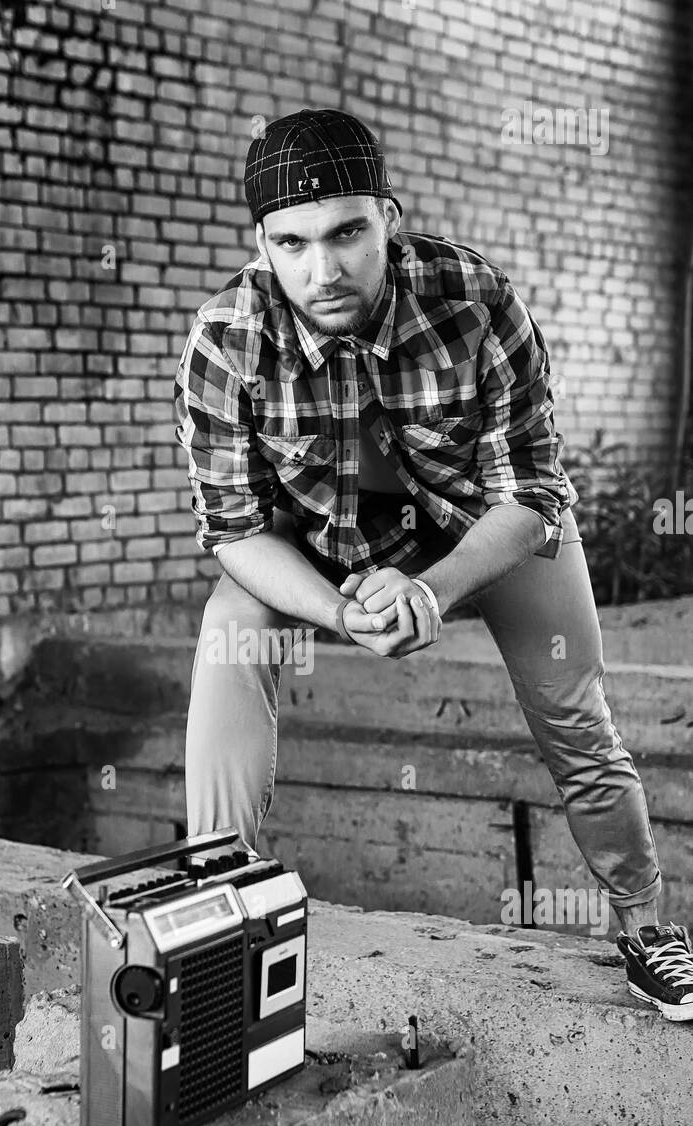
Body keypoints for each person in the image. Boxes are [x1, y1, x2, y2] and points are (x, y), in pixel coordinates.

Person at [174, 107, 693, 1022]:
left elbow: (533, 493)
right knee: (229, 633)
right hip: (321, 557)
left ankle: (648, 930)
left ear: (390, 217)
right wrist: (341, 614)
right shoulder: (226, 338)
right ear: (261, 241)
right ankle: (219, 932)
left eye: (348, 233)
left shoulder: (475, 298)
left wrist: (431, 587)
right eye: (291, 243)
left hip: (488, 533)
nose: (321, 269)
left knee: (577, 712)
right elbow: (233, 527)